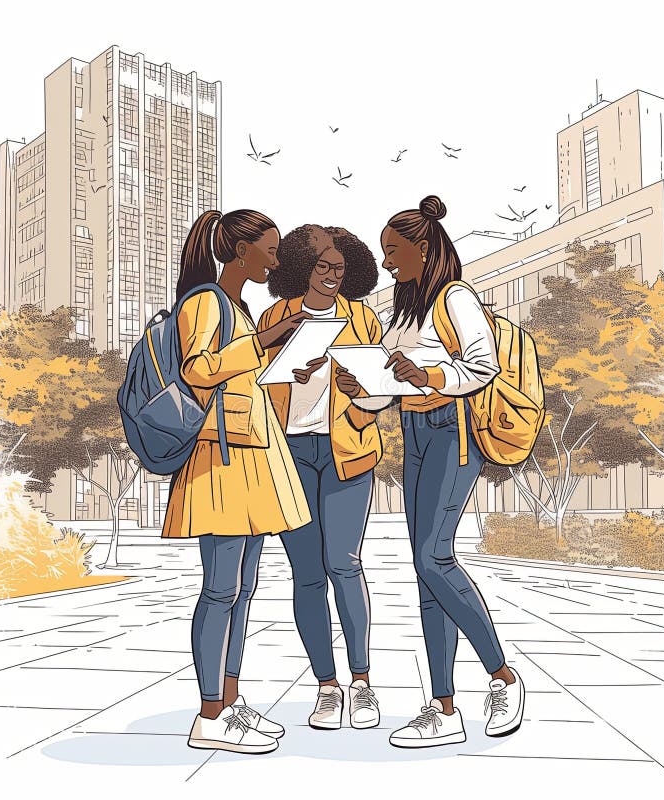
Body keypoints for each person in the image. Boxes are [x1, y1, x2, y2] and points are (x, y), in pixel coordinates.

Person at [346, 195, 525, 748]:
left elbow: (482, 364)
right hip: (415, 433)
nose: (388, 263)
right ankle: (443, 706)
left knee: (434, 556)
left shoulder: (456, 298)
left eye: (395, 252)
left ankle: (503, 676)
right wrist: (366, 391)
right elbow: (393, 379)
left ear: (424, 248)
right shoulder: (402, 309)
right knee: (427, 573)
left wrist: (427, 375)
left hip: (454, 430)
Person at [162, 209, 312, 755]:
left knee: (243, 589)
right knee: (221, 588)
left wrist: (276, 355)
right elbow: (198, 369)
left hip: (249, 453)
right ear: (240, 251)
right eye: (268, 250)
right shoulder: (205, 301)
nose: (275, 259)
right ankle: (208, 715)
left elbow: (235, 370)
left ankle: (230, 701)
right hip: (220, 458)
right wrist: (264, 339)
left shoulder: (238, 307)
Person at [259, 225, 383, 730]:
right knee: (307, 574)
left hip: (347, 452)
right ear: (299, 269)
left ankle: (361, 682)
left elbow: (381, 397)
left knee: (344, 564)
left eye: (339, 268)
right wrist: (289, 373)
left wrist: (359, 390)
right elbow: (253, 384)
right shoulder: (274, 318)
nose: (332, 276)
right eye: (322, 267)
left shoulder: (364, 319)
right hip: (288, 452)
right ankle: (326, 687)